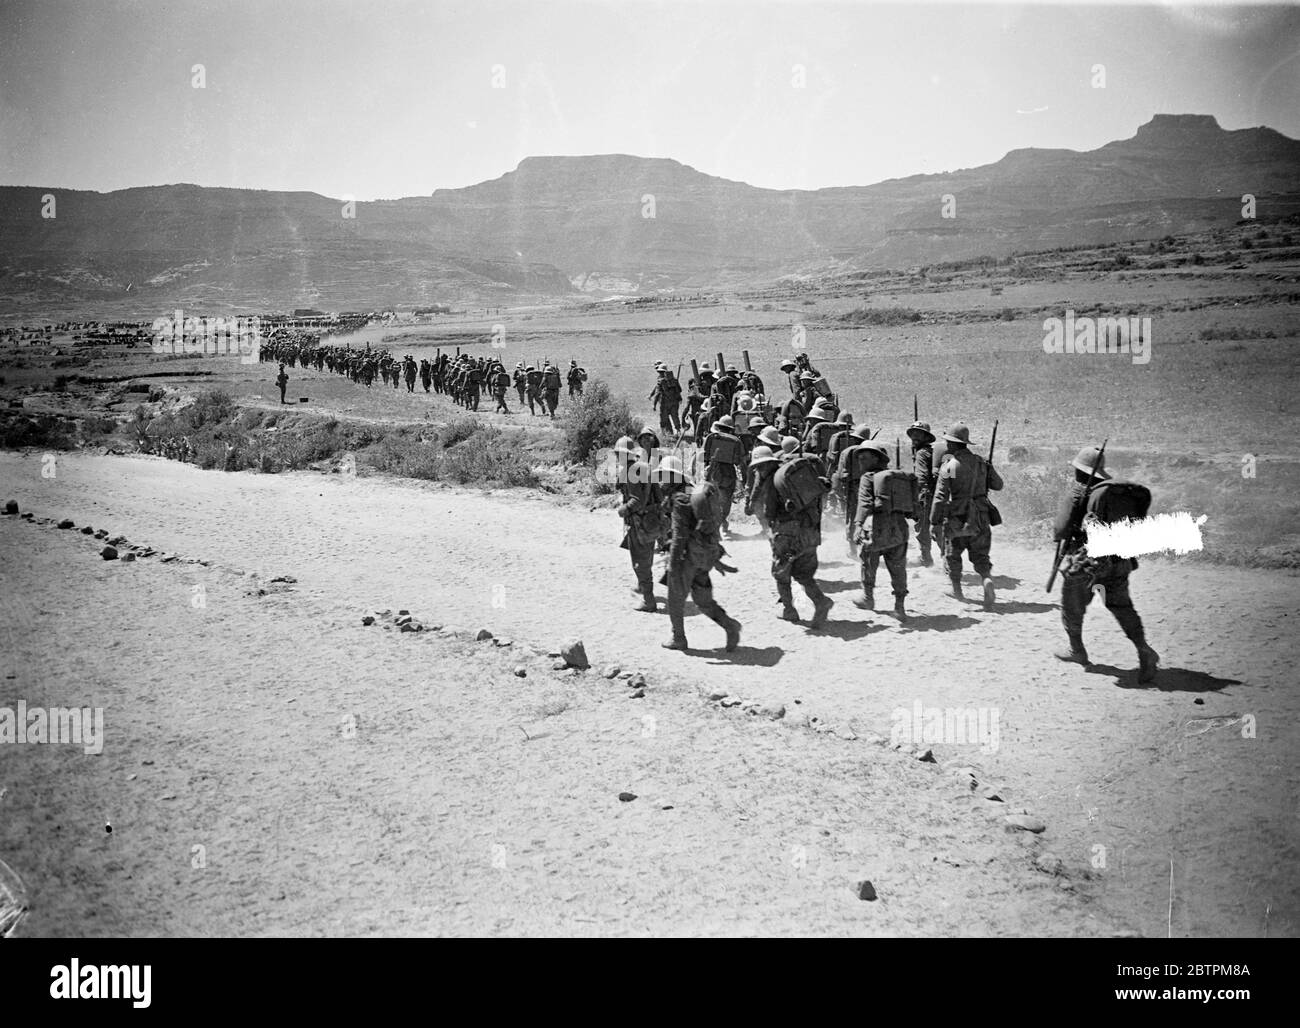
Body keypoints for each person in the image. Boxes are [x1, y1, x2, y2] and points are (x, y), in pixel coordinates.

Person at [1053, 446, 1160, 681]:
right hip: (1119, 560)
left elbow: (1059, 530)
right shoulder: (1115, 493)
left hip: (1088, 563)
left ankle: (1077, 650)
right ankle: (1144, 649)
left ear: (1078, 470)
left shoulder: (1080, 493)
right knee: (1122, 608)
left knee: (1072, 605)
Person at [659, 456, 742, 653]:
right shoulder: (693, 490)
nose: (660, 480)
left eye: (663, 475)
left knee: (675, 598)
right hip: (704, 555)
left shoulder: (679, 498)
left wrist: (673, 563)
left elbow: (679, 534)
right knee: (703, 600)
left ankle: (678, 638)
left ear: (672, 476)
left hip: (687, 556)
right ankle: (729, 626)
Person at [930, 423, 1003, 608]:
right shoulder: (981, 463)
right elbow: (998, 485)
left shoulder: (950, 465)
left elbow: (940, 496)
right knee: (981, 554)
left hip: (958, 516)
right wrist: (988, 469)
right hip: (980, 515)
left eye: (948, 442)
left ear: (953, 445)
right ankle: (986, 579)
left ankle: (957, 589)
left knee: (952, 553)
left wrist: (934, 521)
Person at [764, 452, 834, 628]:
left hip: (787, 536)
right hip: (810, 534)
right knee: (804, 574)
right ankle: (820, 602)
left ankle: (789, 610)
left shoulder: (775, 482)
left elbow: (769, 512)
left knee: (781, 572)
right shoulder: (812, 482)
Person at [851, 439, 908, 617]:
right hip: (899, 528)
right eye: (859, 458)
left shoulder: (867, 478)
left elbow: (865, 504)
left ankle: (868, 597)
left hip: (875, 528)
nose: (860, 462)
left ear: (876, 459)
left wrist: (858, 525)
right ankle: (899, 606)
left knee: (868, 563)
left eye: (864, 458)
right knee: (898, 567)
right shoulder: (896, 477)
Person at [614, 436, 663, 613]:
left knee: (639, 563)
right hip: (651, 520)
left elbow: (636, 500)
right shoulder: (644, 467)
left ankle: (648, 601)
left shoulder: (631, 470)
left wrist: (623, 509)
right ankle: (643, 587)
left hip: (639, 521)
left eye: (618, 454)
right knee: (647, 556)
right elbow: (659, 495)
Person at [702, 414, 744, 537]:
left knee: (711, 499)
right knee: (726, 500)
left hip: (713, 472)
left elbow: (704, 456)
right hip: (728, 473)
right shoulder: (736, 441)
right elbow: (738, 461)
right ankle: (722, 522)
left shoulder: (711, 437)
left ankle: (717, 524)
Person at [907, 421, 937, 566]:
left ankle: (926, 558)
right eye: (913, 434)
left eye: (918, 434)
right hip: (936, 494)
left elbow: (920, 478)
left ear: (926, 437)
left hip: (925, 494)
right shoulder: (932, 452)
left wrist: (914, 497)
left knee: (922, 527)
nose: (914, 437)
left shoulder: (921, 453)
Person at [744, 444, 780, 538]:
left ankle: (769, 530)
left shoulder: (763, 472)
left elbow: (757, 487)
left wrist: (752, 502)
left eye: (760, 466)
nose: (759, 469)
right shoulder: (776, 469)